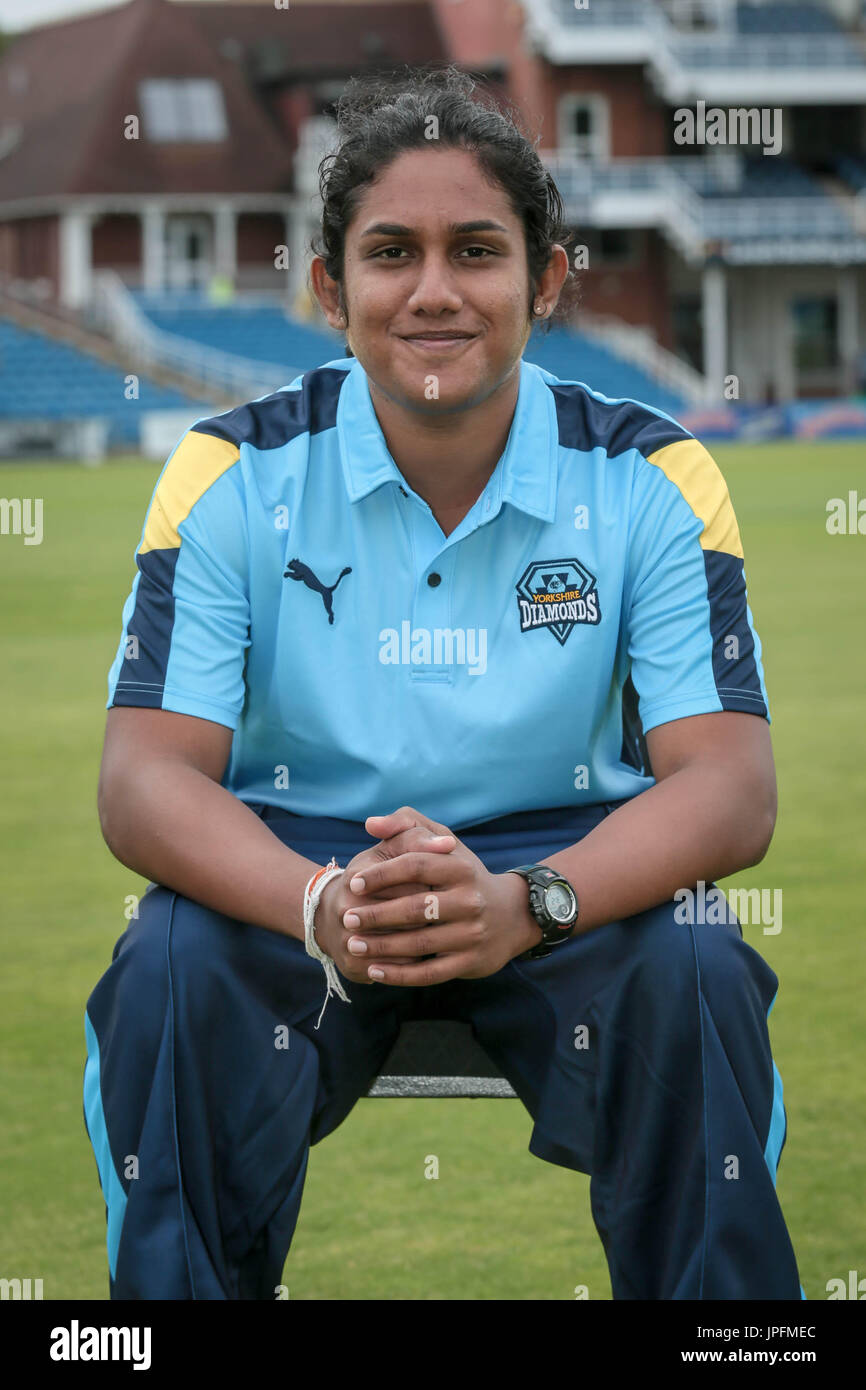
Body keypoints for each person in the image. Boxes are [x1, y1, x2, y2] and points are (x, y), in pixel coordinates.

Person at [83, 65, 803, 1301]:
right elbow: (144, 781)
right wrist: (320, 906)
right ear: (328, 287)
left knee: (694, 961)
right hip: (307, 860)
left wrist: (532, 901)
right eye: (388, 253)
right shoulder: (226, 471)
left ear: (546, 279)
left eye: (475, 250)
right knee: (165, 964)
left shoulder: (650, 475)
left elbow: (729, 791)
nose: (432, 291)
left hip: (567, 863)